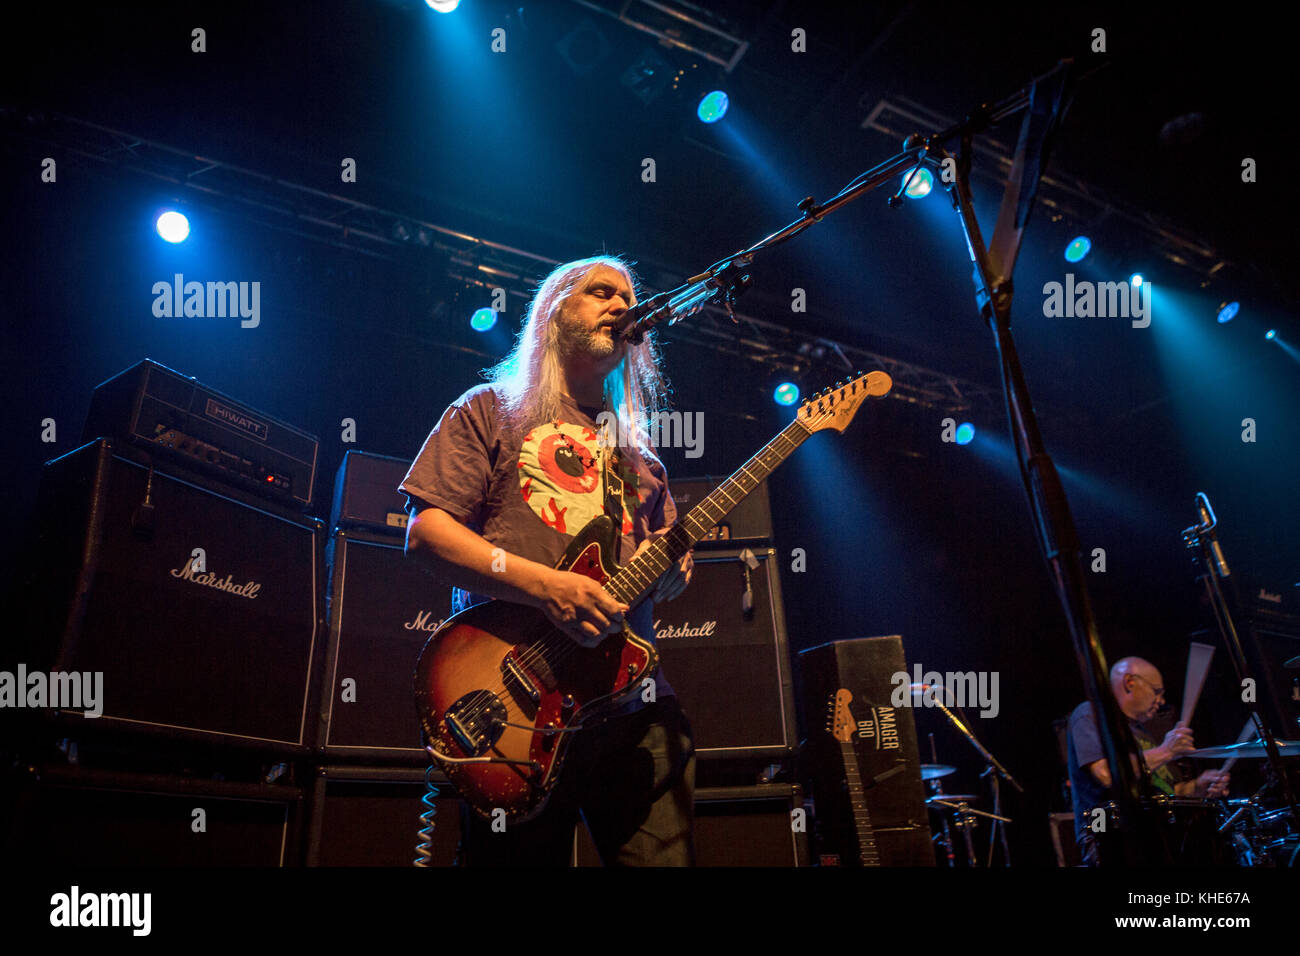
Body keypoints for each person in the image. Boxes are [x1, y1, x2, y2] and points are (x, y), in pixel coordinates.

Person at [400, 255, 695, 866]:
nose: (622, 306)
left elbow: (671, 563)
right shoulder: (489, 410)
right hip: (519, 704)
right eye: (601, 292)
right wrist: (545, 588)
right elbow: (427, 533)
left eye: (628, 298)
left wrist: (674, 573)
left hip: (634, 712)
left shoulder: (642, 461)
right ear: (555, 309)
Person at [1066, 656, 1230, 865]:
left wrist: (1199, 786)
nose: (1161, 700)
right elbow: (1107, 775)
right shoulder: (1091, 715)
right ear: (1130, 683)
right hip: (1110, 836)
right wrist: (1166, 751)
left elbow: (1169, 793)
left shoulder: (1143, 734)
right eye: (1157, 691)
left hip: (1156, 834)